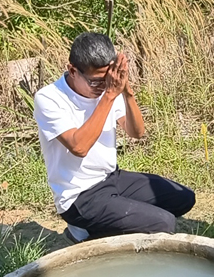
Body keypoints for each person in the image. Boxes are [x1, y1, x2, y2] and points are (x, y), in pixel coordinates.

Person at [34, 32, 196, 243]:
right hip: (78, 196)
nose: (102, 88)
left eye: (106, 81)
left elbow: (136, 133)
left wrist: (127, 92)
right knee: (163, 223)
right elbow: (79, 147)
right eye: (95, 82)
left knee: (183, 198)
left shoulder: (108, 88)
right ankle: (83, 232)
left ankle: (114, 220)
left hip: (111, 178)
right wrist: (110, 94)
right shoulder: (49, 98)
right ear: (72, 70)